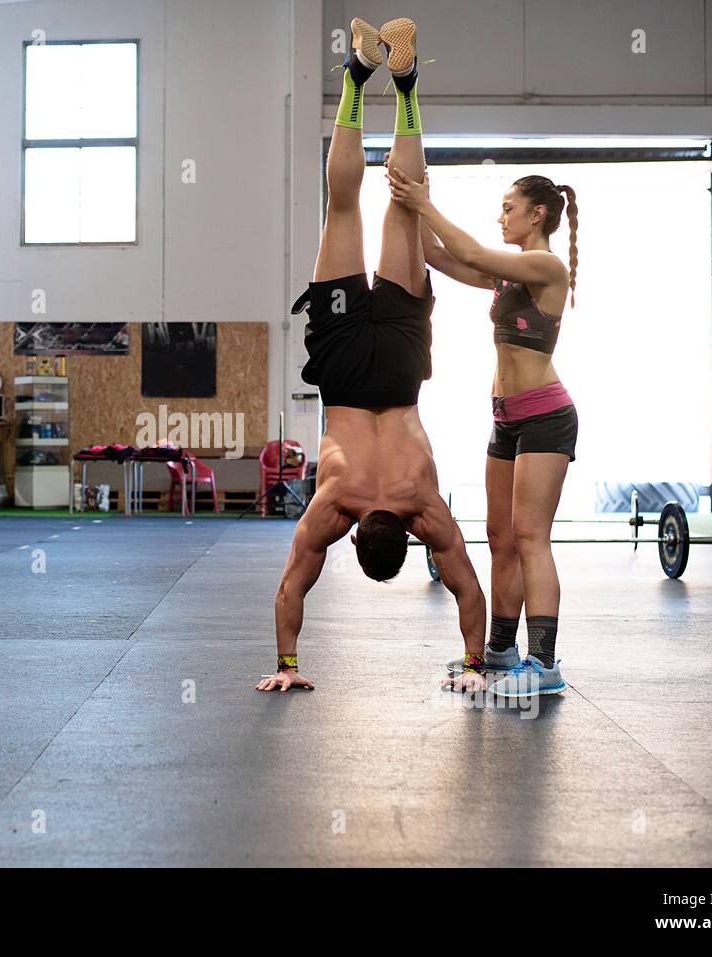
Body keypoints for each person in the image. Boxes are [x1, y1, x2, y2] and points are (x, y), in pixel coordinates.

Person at [257, 16, 487, 694]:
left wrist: (474, 665)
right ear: (356, 538)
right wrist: (286, 666)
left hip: (402, 367)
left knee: (404, 211)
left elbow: (467, 588)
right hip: (346, 372)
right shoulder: (336, 503)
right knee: (343, 209)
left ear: (407, 538)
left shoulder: (425, 508)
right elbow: (291, 585)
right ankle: (359, 78)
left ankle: (407, 88)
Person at [386, 163, 578, 699]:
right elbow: (441, 256)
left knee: (530, 537)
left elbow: (469, 252)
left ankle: (543, 664)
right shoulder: (512, 271)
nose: (501, 217)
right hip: (506, 421)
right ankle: (500, 650)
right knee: (499, 539)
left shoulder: (544, 265)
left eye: (508, 208)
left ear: (537, 214)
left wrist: (425, 204)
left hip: (545, 416)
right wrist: (408, 195)